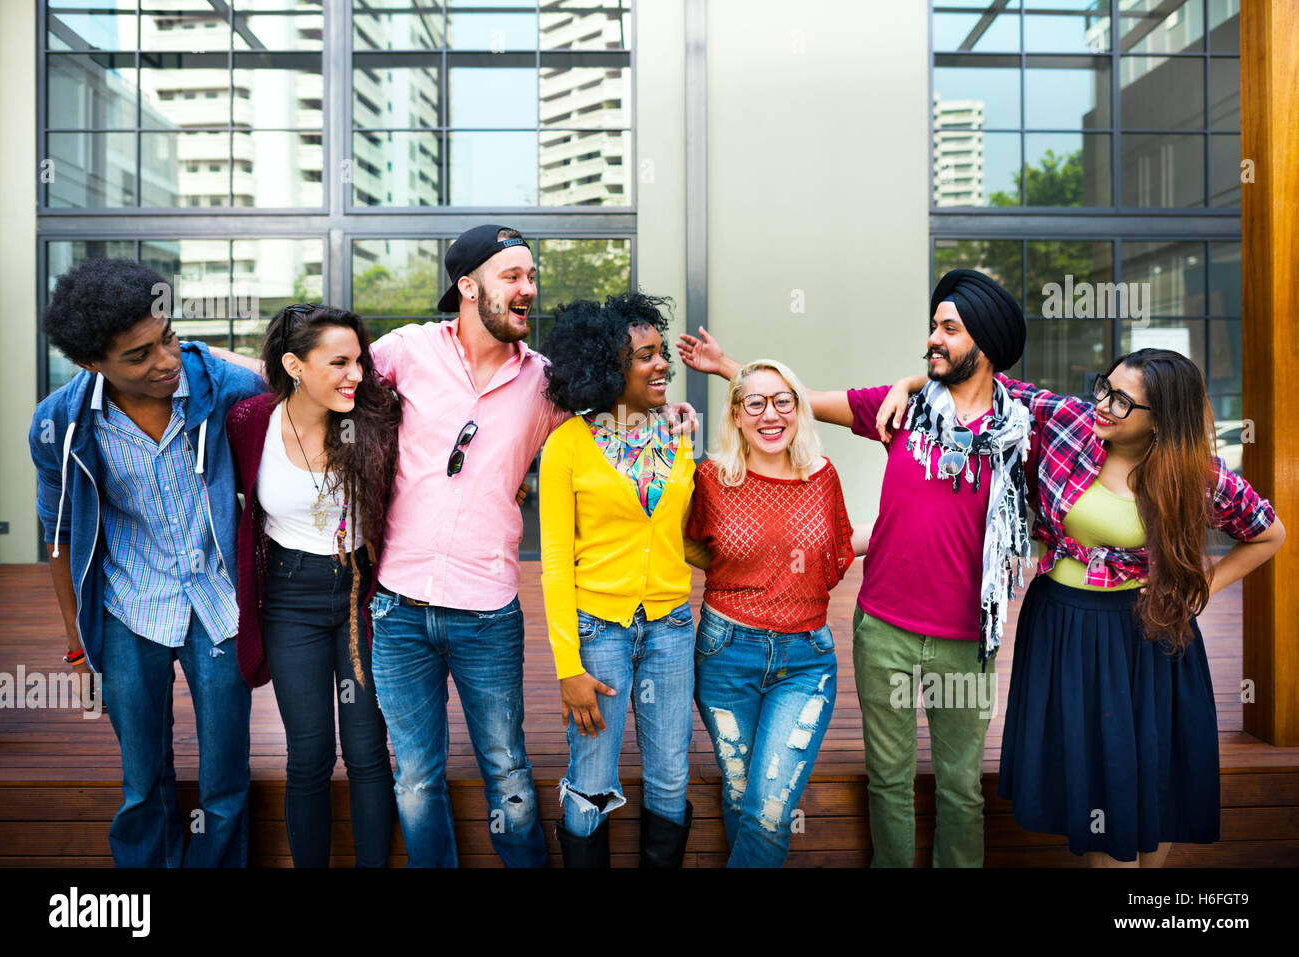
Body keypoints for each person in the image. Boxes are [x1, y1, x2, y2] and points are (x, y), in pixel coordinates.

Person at [214, 225, 698, 867]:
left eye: (532, 276)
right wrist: (200, 360)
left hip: (488, 610)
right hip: (396, 608)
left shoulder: (547, 383)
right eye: (513, 276)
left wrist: (670, 416)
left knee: (509, 773)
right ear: (468, 288)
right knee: (414, 777)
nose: (528, 289)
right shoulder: (404, 352)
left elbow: (612, 419)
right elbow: (326, 379)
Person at [679, 268, 1032, 867]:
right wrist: (725, 367)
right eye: (932, 328)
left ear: (986, 342)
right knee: (888, 781)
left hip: (967, 638)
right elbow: (795, 401)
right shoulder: (902, 411)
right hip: (883, 629)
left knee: (962, 788)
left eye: (948, 329)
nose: (933, 340)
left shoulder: (1024, 424)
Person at [879, 348, 1285, 866]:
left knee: (1151, 778)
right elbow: (984, 385)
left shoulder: (1196, 473)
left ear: (1162, 418)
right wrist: (908, 384)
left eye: (1122, 401)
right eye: (1104, 387)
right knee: (1099, 781)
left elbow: (1268, 534)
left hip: (1150, 635)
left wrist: (1198, 589)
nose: (1103, 404)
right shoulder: (1068, 420)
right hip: (1065, 627)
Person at [29, 257, 264, 866]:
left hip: (218, 604)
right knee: (142, 781)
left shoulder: (221, 387)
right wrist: (78, 647)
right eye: (139, 356)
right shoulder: (61, 422)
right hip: (129, 606)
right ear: (91, 365)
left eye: (168, 338)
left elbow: (308, 387)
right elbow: (57, 537)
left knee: (225, 779)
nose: (165, 361)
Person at [539, 292, 711, 868]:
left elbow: (678, 536)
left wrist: (744, 559)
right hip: (598, 633)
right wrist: (569, 668)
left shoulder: (679, 436)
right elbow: (556, 561)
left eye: (662, 353)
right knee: (590, 778)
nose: (662, 364)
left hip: (669, 628)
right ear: (606, 366)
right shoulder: (567, 444)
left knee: (669, 774)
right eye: (645, 356)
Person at [226, 303, 401, 867]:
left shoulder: (374, 418)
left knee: (369, 752)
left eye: (360, 361)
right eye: (339, 362)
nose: (357, 374)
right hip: (287, 597)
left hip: (360, 596)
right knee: (308, 755)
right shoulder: (251, 421)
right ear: (295, 366)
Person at [687, 358, 869, 866]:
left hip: (805, 662)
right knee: (742, 794)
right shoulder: (712, 479)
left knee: (769, 808)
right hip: (725, 655)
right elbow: (686, 545)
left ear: (799, 408)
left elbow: (834, 551)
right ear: (738, 414)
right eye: (756, 402)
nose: (771, 414)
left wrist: (900, 530)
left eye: (783, 400)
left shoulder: (821, 475)